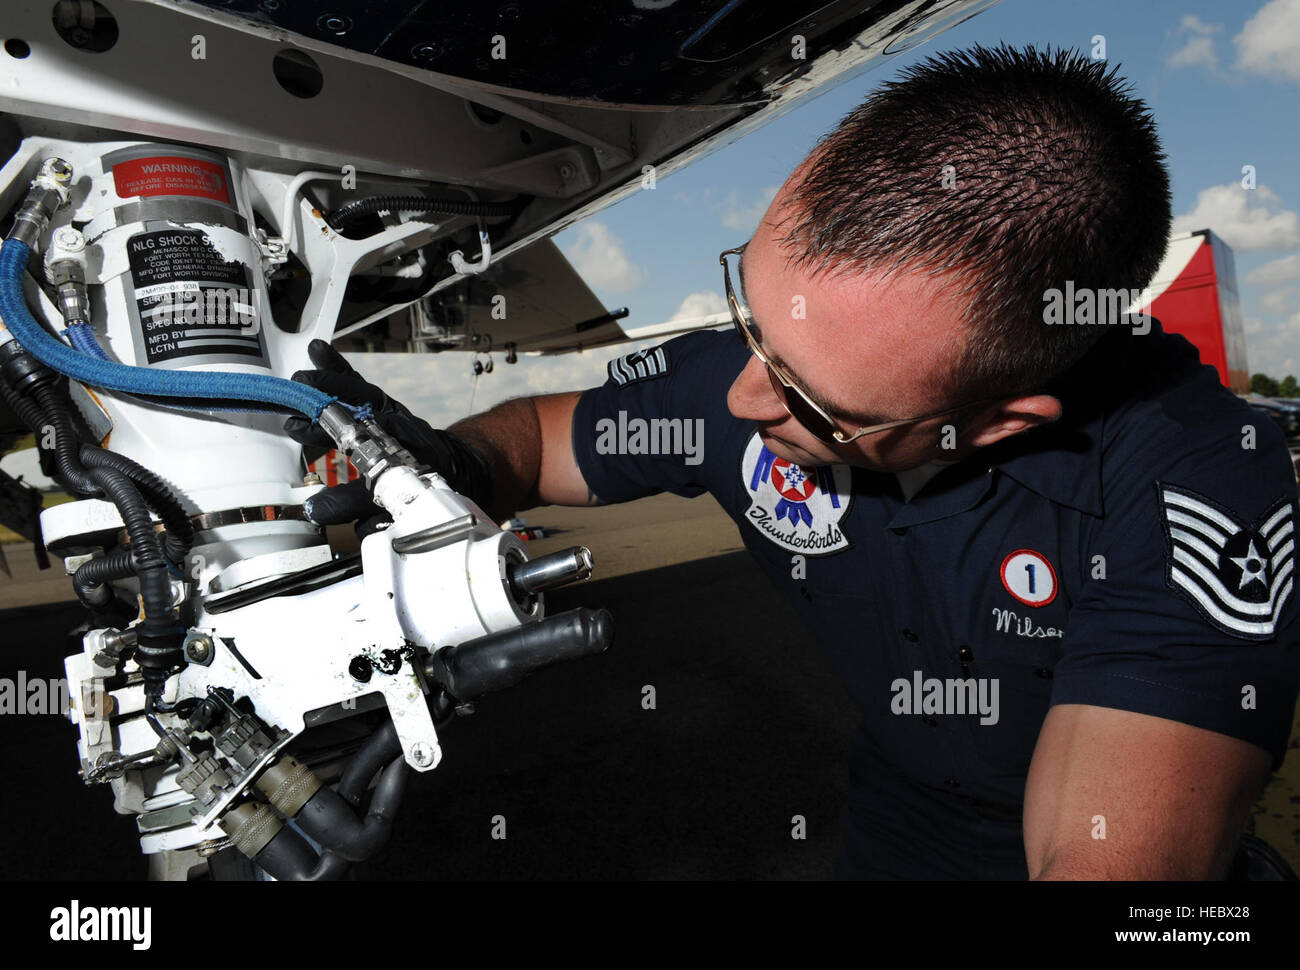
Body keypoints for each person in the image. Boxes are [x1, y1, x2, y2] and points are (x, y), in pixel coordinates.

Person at [286, 45, 1300, 879]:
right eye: (754, 321)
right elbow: (543, 438)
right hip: (888, 839)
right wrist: (450, 465)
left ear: (995, 422)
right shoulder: (778, 367)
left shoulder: (1194, 482)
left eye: (812, 400)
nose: (739, 396)